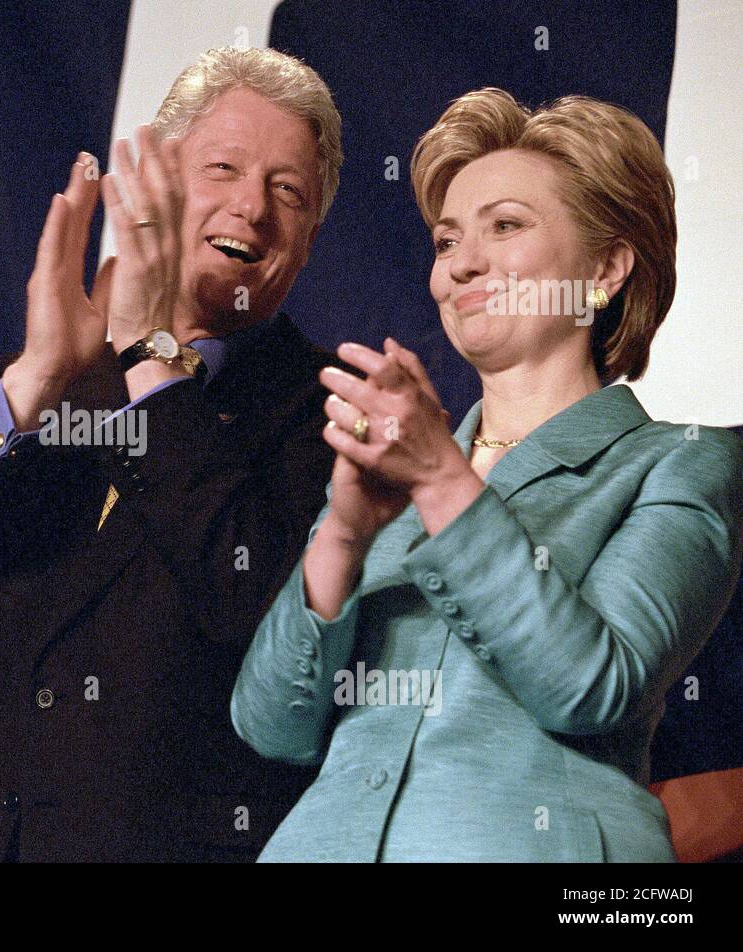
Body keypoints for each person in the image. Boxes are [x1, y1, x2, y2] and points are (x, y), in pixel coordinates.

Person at [230, 88, 743, 861]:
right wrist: (341, 535)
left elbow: (591, 686)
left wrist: (443, 483)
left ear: (604, 268)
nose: (462, 264)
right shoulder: (392, 470)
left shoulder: (684, 460)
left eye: (505, 226)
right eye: (445, 242)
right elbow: (270, 726)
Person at [0, 47, 344, 862]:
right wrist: (33, 381)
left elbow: (258, 618)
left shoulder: (334, 416)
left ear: (310, 235)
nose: (251, 208)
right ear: (155, 183)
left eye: (288, 191)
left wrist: (149, 354)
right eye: (223, 168)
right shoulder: (44, 376)